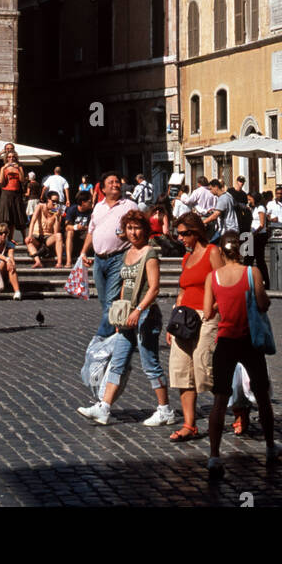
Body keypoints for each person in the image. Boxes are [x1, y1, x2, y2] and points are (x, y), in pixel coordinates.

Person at [77, 210, 174, 428]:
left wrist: (138, 310)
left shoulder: (149, 254)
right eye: (129, 228)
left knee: (150, 363)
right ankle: (104, 407)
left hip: (146, 315)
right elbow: (123, 287)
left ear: (145, 230)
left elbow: (154, 288)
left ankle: (165, 409)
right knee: (118, 362)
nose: (133, 232)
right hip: (127, 317)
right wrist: (121, 314)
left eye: (137, 228)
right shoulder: (127, 253)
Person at [204, 230, 282, 481]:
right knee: (261, 396)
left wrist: (221, 302)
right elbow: (262, 304)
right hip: (249, 341)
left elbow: (207, 313)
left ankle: (214, 456)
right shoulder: (252, 273)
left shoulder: (212, 277)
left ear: (222, 252)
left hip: (225, 341)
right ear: (240, 250)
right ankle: (270, 446)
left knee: (219, 399)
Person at [166, 212, 224, 443]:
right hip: (185, 319)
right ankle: (189, 424)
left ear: (196, 232)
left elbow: (224, 283)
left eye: (184, 234)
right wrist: (172, 325)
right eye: (178, 234)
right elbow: (182, 292)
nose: (180, 238)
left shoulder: (212, 252)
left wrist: (216, 308)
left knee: (204, 366)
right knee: (181, 371)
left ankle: (236, 408)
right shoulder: (185, 258)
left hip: (208, 315)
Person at [81, 171, 138, 338]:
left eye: (117, 182)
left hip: (119, 257)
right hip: (99, 259)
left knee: (110, 300)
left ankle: (102, 338)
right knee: (103, 300)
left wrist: (127, 234)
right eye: (111, 183)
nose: (115, 185)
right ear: (103, 189)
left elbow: (139, 229)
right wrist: (84, 251)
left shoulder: (129, 205)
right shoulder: (98, 207)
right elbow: (91, 231)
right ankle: (118, 333)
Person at [25, 191, 64, 268]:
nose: (55, 204)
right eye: (53, 201)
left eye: (57, 202)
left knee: (59, 235)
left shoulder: (56, 211)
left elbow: (56, 231)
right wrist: (29, 235)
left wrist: (58, 218)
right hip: (37, 235)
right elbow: (32, 221)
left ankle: (59, 262)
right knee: (28, 240)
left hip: (48, 238)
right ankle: (38, 262)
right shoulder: (40, 206)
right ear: (48, 200)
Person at [0, 223, 23, 298]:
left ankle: (17, 291)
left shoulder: (9, 244)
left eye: (5, 233)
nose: (3, 235)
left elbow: (11, 255)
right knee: (3, 262)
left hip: (3, 269)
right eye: (0, 233)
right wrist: (7, 259)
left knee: (9, 264)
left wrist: (12, 262)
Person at [0, 147, 28, 237]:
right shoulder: (4, 168)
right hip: (6, 194)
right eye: (9, 157)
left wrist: (19, 169)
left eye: (13, 157)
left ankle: (24, 238)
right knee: (7, 217)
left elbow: (22, 180)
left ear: (16, 158)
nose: (11, 158)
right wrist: (3, 169)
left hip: (17, 193)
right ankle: (8, 238)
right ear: (6, 158)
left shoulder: (19, 167)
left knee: (19, 217)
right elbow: (1, 182)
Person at [62, 192, 93, 269]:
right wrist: (76, 227)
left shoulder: (91, 211)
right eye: (90, 202)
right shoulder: (72, 209)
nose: (91, 203)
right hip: (73, 235)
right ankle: (68, 260)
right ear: (83, 202)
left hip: (85, 235)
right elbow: (67, 227)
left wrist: (85, 228)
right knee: (70, 232)